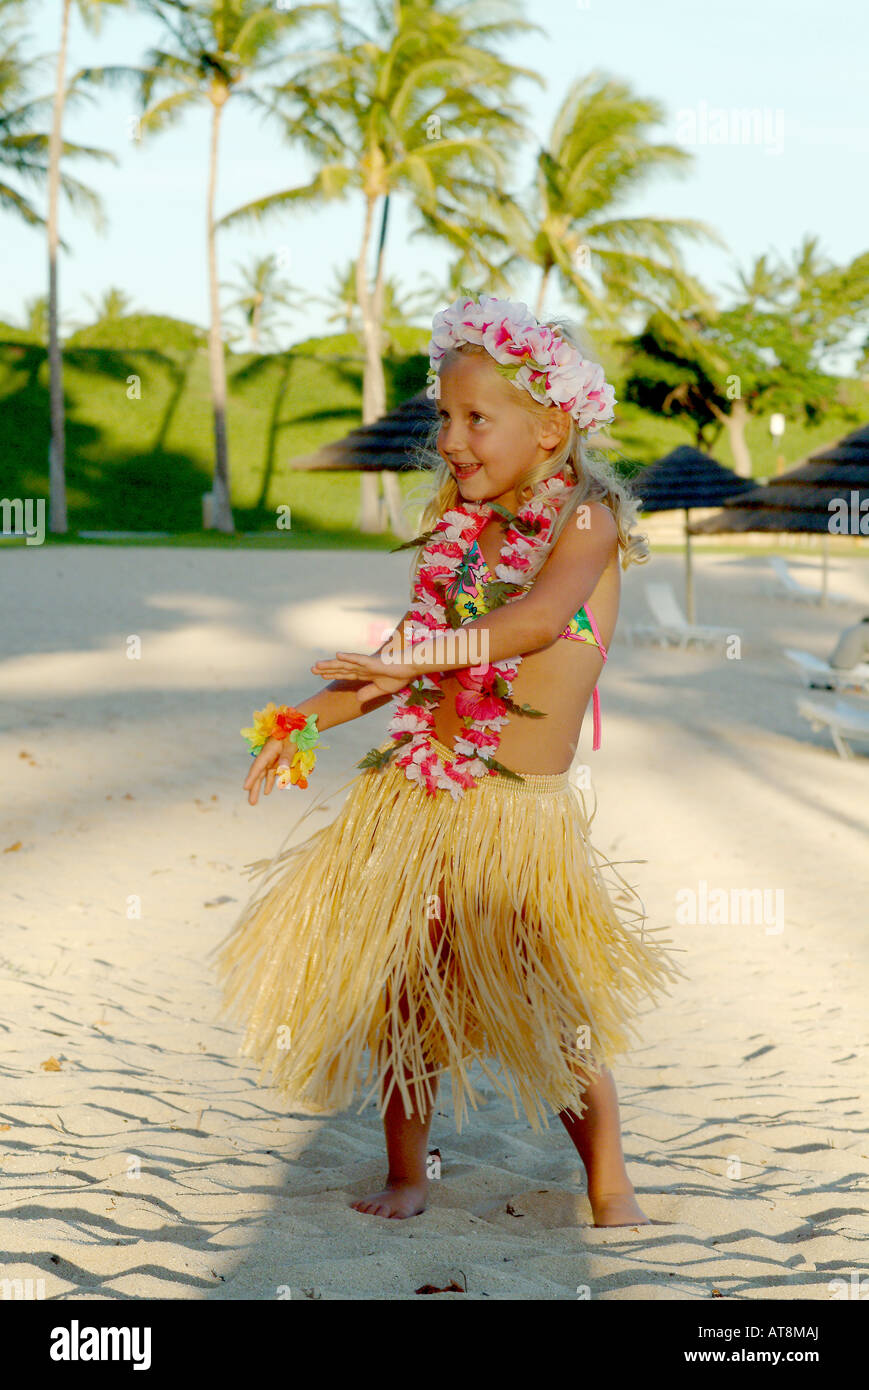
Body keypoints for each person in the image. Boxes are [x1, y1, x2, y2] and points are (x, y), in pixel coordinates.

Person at [213, 293, 683, 1228]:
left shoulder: (582, 523)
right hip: (414, 806)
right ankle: (406, 1174)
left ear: (551, 428)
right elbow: (391, 666)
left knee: (549, 1008)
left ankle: (608, 1183)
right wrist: (297, 723)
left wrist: (409, 658)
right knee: (402, 995)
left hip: (514, 824)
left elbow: (536, 621)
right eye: (445, 415)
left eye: (478, 418)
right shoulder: (459, 543)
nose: (453, 438)